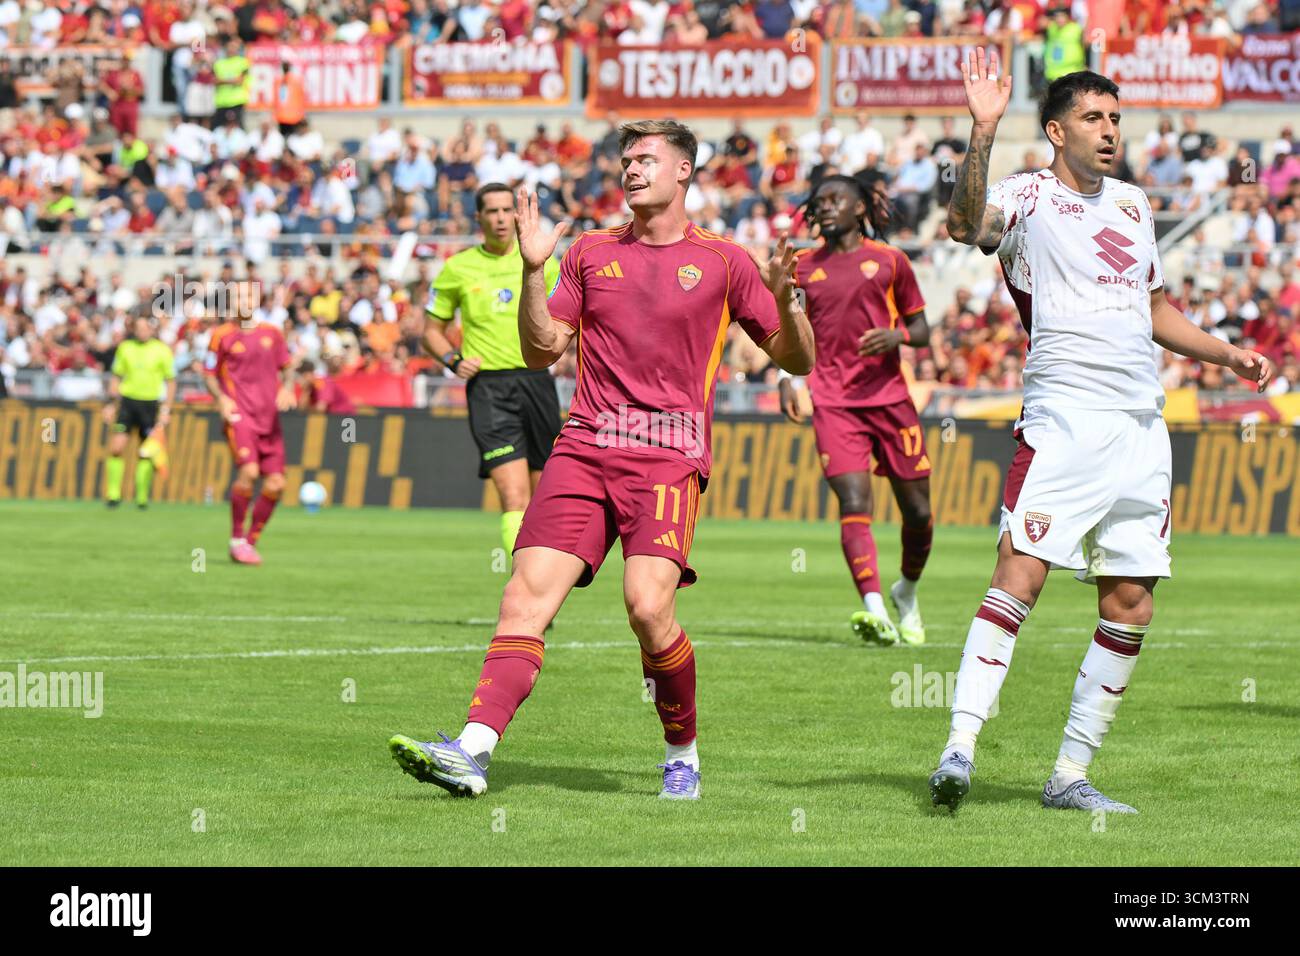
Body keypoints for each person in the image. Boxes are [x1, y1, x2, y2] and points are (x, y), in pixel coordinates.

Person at [387, 120, 815, 800]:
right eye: (625, 159)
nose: (631, 169)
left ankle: (682, 751)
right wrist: (533, 269)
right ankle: (471, 750)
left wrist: (787, 300)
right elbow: (539, 348)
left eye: (646, 158)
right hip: (584, 446)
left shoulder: (726, 261)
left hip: (670, 455)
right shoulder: (586, 252)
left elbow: (797, 359)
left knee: (648, 610)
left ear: (683, 172)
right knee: (523, 597)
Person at [931, 56, 1274, 814]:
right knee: (1018, 579)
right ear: (1056, 131)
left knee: (1130, 601)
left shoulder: (1134, 205)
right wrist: (982, 130)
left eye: (1115, 118)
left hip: (1140, 428)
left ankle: (1069, 774)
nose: (1110, 130)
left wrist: (1226, 351)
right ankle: (959, 748)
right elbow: (963, 226)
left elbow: (1154, 310)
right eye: (1093, 118)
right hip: (1064, 417)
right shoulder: (1025, 194)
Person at [779, 172, 934, 646]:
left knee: (919, 514)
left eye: (835, 200)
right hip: (833, 402)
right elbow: (789, 327)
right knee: (853, 502)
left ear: (860, 209)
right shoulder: (801, 268)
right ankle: (873, 610)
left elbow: (922, 329)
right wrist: (788, 377)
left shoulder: (890, 262)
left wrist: (898, 337)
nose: (824, 208)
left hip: (890, 400)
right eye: (819, 201)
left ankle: (904, 591)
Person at [422, 182, 563, 560]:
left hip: (537, 383)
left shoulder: (540, 261)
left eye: (507, 210)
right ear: (479, 217)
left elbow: (571, 319)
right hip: (489, 389)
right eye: (493, 211)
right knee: (513, 495)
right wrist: (452, 360)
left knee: (543, 498)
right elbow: (430, 332)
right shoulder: (458, 268)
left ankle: (541, 584)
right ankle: (525, 588)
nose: (501, 219)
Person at [204, 282, 296, 566]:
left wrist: (287, 388)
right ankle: (235, 538)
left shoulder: (272, 334)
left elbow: (288, 367)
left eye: (248, 296)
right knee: (250, 472)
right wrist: (221, 399)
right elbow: (208, 373)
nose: (244, 301)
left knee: (277, 484)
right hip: (240, 415)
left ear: (257, 299)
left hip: (269, 420)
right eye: (239, 296)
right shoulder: (221, 336)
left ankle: (248, 542)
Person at [102, 317, 176, 509]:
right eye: (139, 327)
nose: (142, 331)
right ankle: (113, 495)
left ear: (152, 329)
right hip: (128, 402)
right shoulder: (125, 347)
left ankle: (141, 498)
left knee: (145, 452)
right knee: (117, 448)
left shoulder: (162, 350)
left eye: (146, 327)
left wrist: (166, 409)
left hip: (150, 404)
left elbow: (171, 381)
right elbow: (116, 376)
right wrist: (110, 404)